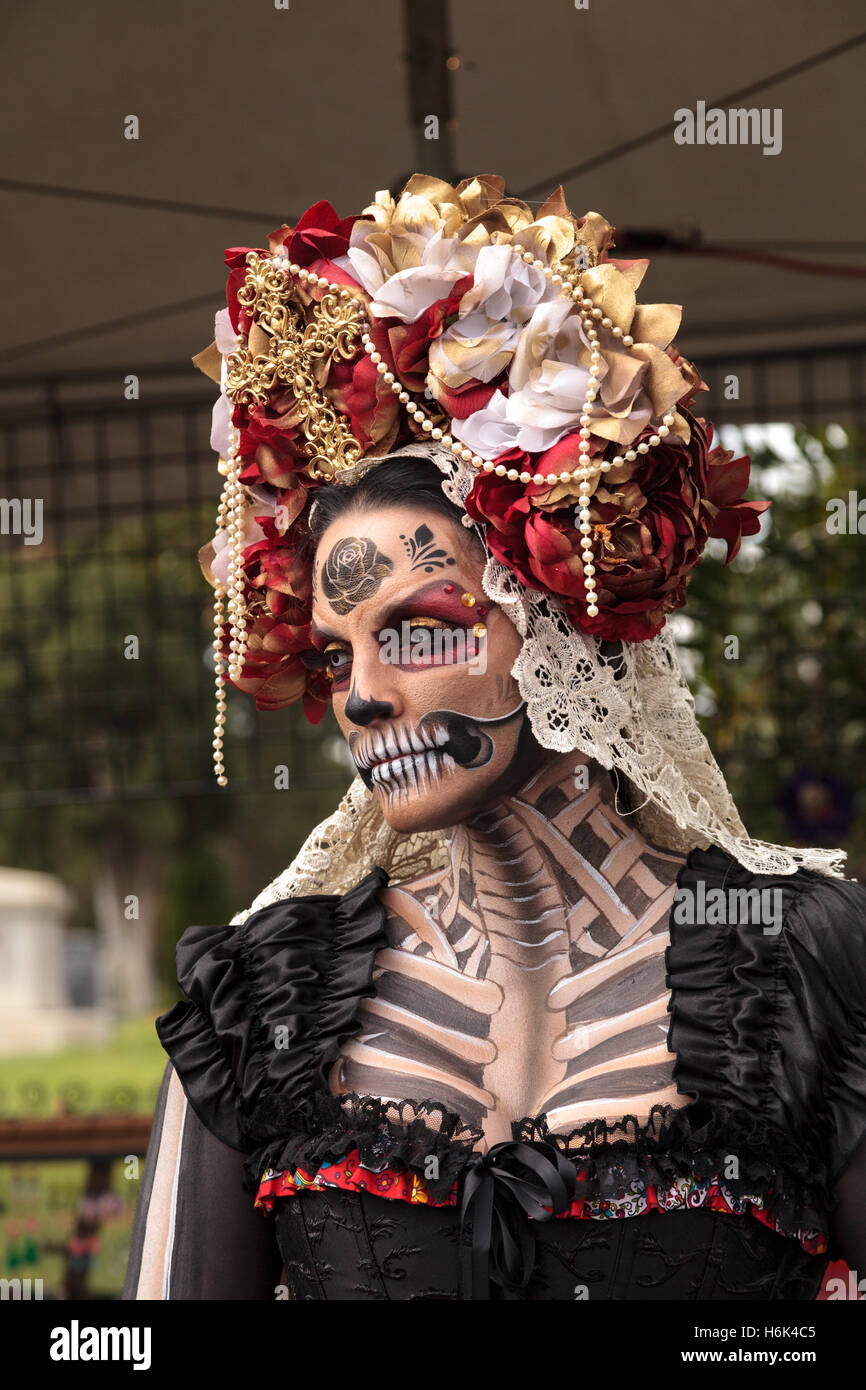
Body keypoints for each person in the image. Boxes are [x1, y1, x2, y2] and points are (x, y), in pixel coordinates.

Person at [123, 173, 866, 1301]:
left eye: (416, 631)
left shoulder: (799, 965)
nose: (361, 696)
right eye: (335, 653)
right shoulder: (261, 1005)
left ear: (554, 618)